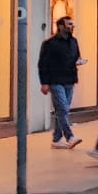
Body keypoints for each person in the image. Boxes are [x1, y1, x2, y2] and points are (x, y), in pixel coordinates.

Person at [37, 15, 82, 149]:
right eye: (68, 24)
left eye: (72, 24)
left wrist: (79, 61)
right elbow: (43, 64)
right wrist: (44, 83)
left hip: (70, 79)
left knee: (62, 111)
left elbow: (77, 56)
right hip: (55, 80)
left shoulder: (74, 41)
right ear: (61, 26)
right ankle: (70, 136)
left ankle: (57, 139)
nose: (71, 27)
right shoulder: (49, 44)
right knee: (62, 108)